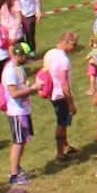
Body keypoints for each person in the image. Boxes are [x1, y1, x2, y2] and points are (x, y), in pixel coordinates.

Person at [2, 42, 37, 186]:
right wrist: (32, 89)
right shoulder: (10, 71)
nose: (27, 59)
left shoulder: (19, 68)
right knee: (18, 142)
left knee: (22, 141)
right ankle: (14, 174)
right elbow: (14, 93)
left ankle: (17, 167)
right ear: (18, 55)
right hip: (16, 112)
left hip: (23, 110)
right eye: (25, 56)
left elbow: (20, 87)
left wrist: (29, 87)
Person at [42, 32, 79, 162]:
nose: (74, 48)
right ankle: (60, 153)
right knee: (61, 123)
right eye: (74, 44)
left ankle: (65, 145)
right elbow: (64, 83)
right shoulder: (63, 60)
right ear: (67, 42)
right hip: (60, 95)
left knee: (63, 121)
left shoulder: (50, 53)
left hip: (52, 92)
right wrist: (71, 103)